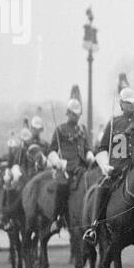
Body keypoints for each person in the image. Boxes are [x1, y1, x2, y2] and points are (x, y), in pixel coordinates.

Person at [84, 86, 134, 242]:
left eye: (133, 103)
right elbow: (102, 148)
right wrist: (105, 165)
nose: (131, 106)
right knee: (101, 188)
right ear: (121, 104)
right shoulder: (113, 123)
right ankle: (94, 228)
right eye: (128, 103)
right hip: (117, 170)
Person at [46, 95, 91, 236]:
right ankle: (58, 218)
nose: (76, 117)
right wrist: (57, 161)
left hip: (82, 167)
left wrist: (90, 155)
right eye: (73, 114)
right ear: (68, 113)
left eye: (78, 114)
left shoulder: (83, 130)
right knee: (63, 188)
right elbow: (51, 150)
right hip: (66, 168)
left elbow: (88, 148)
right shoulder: (60, 129)